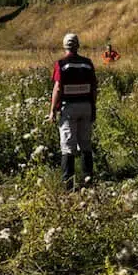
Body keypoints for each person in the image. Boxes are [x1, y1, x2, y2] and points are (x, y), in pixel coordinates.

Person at [49, 32, 97, 190]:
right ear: (78, 45)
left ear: (64, 46)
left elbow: (57, 88)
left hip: (69, 108)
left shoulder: (61, 64)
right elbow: (94, 88)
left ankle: (68, 184)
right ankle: (88, 179)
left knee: (68, 146)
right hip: (86, 107)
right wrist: (93, 106)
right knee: (85, 144)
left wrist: (52, 111)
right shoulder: (88, 63)